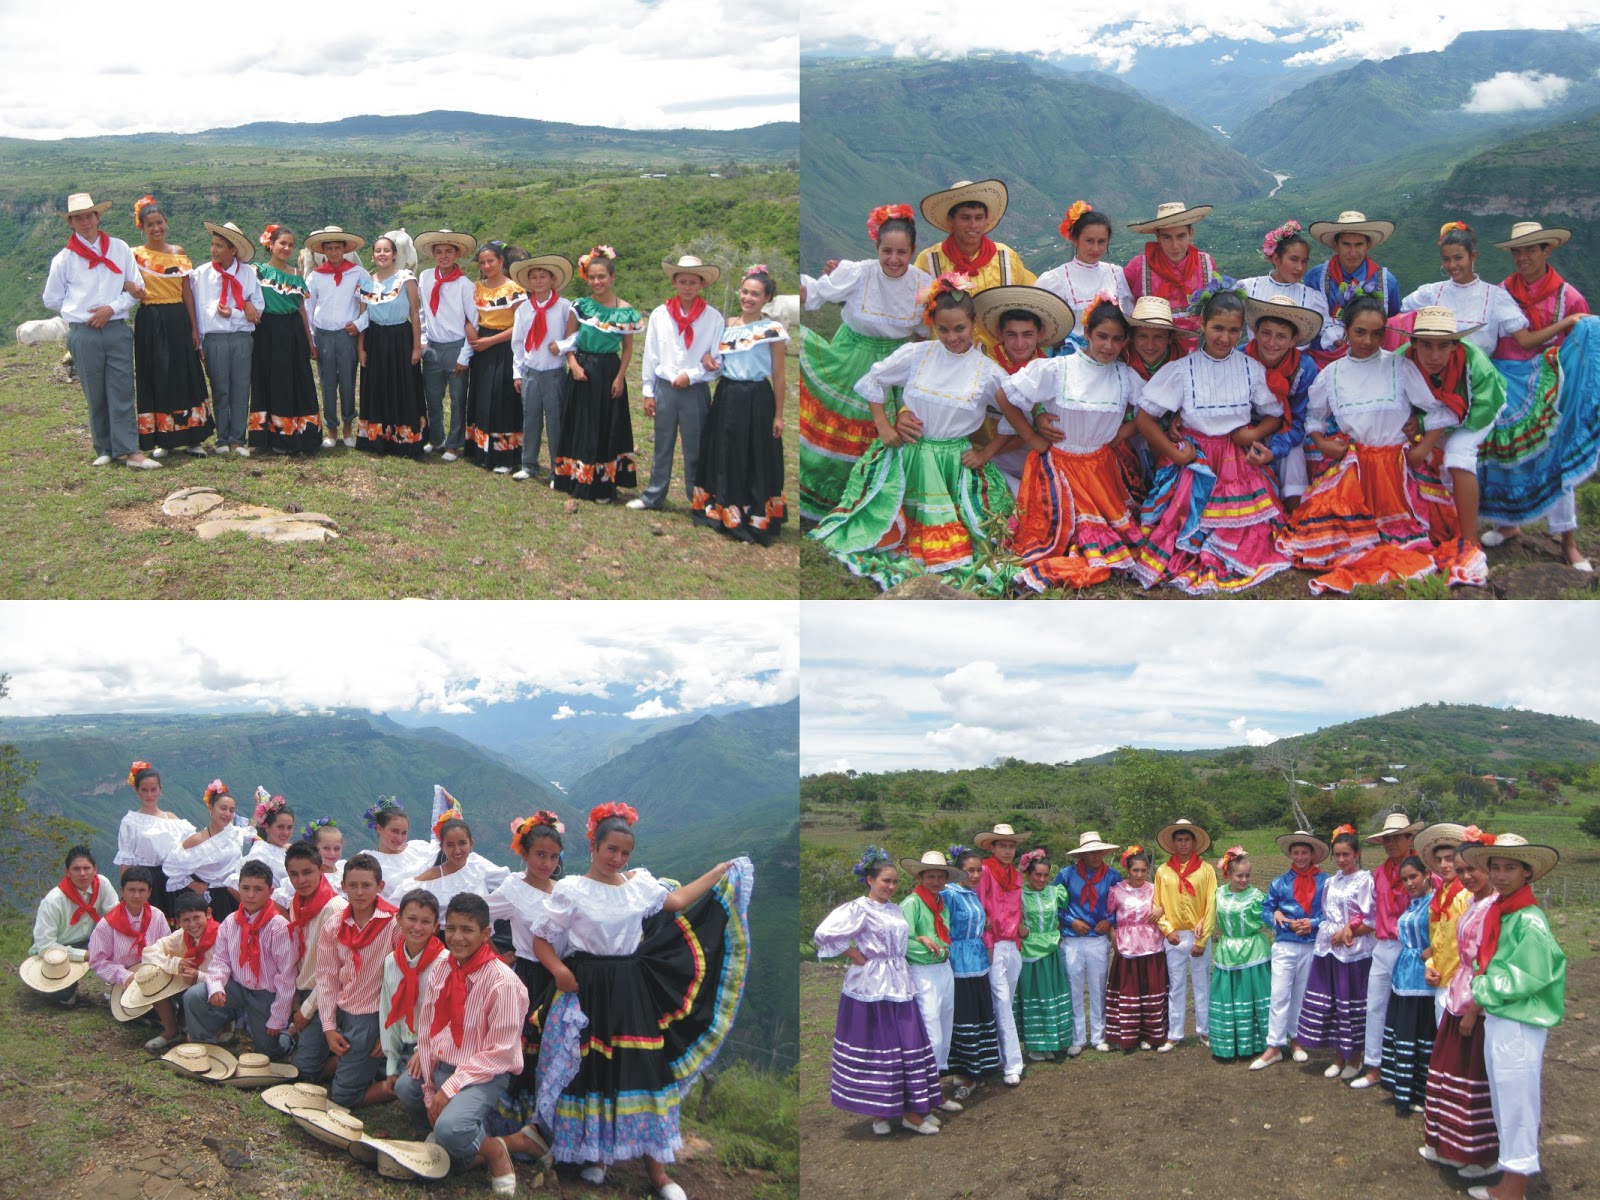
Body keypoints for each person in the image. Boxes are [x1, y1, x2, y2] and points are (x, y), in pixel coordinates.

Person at [531, 803, 749, 1198]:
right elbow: (542, 939)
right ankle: (597, 1157)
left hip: (630, 991)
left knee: (642, 1070)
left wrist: (717, 873)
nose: (617, 859)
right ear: (593, 846)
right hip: (587, 989)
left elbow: (678, 901)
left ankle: (658, 1172)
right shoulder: (571, 890)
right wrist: (559, 971)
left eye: (625, 853)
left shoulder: (639, 887)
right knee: (592, 1071)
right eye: (611, 849)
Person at [808, 275, 1014, 592]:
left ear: (973, 323)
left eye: (959, 328)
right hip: (908, 454)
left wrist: (987, 453)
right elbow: (873, 381)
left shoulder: (989, 373)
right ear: (933, 324)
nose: (951, 337)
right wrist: (885, 424)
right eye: (942, 329)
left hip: (952, 464)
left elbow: (1013, 419)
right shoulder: (918, 355)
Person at [1277, 299, 1477, 594]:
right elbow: (1314, 417)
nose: (1368, 341)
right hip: (1355, 472)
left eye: (1376, 333)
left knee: (1417, 537)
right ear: (1345, 331)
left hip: (1397, 471)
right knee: (1334, 540)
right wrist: (1322, 443)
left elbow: (1435, 411)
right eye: (1359, 332)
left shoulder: (1400, 367)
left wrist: (1423, 443)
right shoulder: (1332, 375)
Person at [1130, 286, 1290, 594]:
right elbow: (1144, 419)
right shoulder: (1182, 370)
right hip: (1196, 460)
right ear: (1202, 324)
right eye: (1217, 328)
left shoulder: (1250, 369)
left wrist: (1254, 433)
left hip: (1237, 462)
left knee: (1249, 529)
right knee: (1185, 524)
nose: (1224, 338)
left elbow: (1273, 414)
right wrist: (1174, 455)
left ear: (1242, 331)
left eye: (1233, 330)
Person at [995, 295, 1143, 590]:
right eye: (1102, 336)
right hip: (1057, 469)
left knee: (1107, 541)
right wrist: (1032, 437)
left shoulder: (1125, 376)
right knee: (1063, 539)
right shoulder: (1058, 369)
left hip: (1101, 472)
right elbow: (1005, 395)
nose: (1108, 346)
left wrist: (1121, 434)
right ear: (1087, 333)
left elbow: (1150, 410)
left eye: (1116, 339)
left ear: (1125, 341)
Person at [799, 203, 934, 519]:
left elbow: (925, 333)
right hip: (849, 357)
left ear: (913, 250)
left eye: (902, 252)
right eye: (887, 251)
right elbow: (818, 293)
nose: (894, 259)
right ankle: (821, 499)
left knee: (878, 437)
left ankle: (861, 500)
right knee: (836, 431)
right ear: (877, 247)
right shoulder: (859, 272)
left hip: (893, 366)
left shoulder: (923, 285)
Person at [1479, 221, 1600, 570]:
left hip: (1549, 384)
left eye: (1530, 249)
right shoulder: (1502, 291)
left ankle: (1569, 541)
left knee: (1555, 452)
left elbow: (1579, 342)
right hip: (1507, 381)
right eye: (1517, 250)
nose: (1522, 257)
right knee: (1501, 449)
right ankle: (1508, 523)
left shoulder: (1569, 296)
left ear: (1547, 250)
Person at [398, 893, 529, 1196]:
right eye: (451, 928)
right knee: (407, 1088)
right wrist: (430, 1081)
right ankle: (448, 1144)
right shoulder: (444, 966)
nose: (456, 937)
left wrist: (450, 1087)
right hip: (445, 1062)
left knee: (451, 1129)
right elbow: (430, 1025)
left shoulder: (503, 983)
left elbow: (501, 1053)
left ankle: (494, 1150)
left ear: (486, 934)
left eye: (467, 930)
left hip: (483, 1074)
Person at [1462, 833, 1566, 1200]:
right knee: (1506, 1097)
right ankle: (1510, 1179)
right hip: (1504, 1018)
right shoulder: (1506, 912)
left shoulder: (1529, 921)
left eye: (1510, 868)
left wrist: (1481, 988)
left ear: (1527, 874)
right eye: (1496, 867)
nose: (1501, 875)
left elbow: (1528, 975)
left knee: (1517, 1101)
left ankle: (1514, 1187)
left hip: (1520, 1021)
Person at [813, 846, 941, 1138]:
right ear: (870, 880)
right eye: (886, 881)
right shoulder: (859, 908)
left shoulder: (895, 909)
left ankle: (911, 1111)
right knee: (879, 1047)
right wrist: (853, 954)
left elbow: (901, 938)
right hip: (872, 985)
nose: (892, 887)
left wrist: (919, 936)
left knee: (906, 1044)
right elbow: (824, 932)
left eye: (895, 882)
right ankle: (880, 1111)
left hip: (900, 982)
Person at [42, 192, 156, 470]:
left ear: (98, 217)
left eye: (89, 215)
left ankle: (129, 450)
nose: (85, 222)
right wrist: (80, 313)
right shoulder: (64, 259)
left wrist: (111, 308)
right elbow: (52, 299)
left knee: (122, 388)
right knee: (94, 390)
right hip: (84, 332)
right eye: (78, 218)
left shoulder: (119, 249)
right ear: (70, 222)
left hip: (116, 326)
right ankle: (104, 447)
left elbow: (135, 287)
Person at [1421, 831, 1501, 1181]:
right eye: (1461, 868)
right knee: (1451, 1071)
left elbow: (1490, 961)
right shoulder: (1471, 903)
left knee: (1472, 1079)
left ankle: (1483, 1154)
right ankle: (1452, 1145)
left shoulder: (1493, 907)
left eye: (1474, 869)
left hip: (1475, 1000)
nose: (1467, 876)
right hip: (1458, 991)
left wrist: (1474, 1009)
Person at [1399, 298, 1509, 546]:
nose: (1435, 356)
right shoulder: (1401, 361)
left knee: (1459, 456)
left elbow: (1480, 411)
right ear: (1413, 343)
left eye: (1443, 346)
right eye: (1426, 345)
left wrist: (1426, 427)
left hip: (1478, 411)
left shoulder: (1476, 364)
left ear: (1455, 345)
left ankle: (1470, 540)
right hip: (1431, 417)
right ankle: (1436, 525)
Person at [693, 265, 789, 544]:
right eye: (745, 292)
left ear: (767, 298)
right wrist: (708, 361)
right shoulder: (727, 324)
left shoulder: (772, 330)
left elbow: (780, 375)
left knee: (752, 454)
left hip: (756, 398)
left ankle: (750, 516)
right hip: (727, 395)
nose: (748, 298)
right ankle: (722, 509)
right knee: (725, 451)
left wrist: (779, 415)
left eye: (755, 294)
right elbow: (715, 360)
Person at [486, 812, 566, 1138]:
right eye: (540, 855)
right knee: (522, 1048)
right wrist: (495, 958)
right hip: (527, 978)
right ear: (524, 853)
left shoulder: (564, 891)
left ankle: (544, 1124)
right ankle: (514, 1124)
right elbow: (479, 917)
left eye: (553, 856)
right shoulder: (513, 890)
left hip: (561, 979)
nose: (547, 863)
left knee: (554, 1049)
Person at [630, 256, 725, 511]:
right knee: (662, 443)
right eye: (682, 281)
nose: (687, 287)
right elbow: (651, 354)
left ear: (701, 284)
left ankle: (698, 499)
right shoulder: (661, 315)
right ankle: (654, 495)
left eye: (693, 282)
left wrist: (692, 375)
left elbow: (717, 361)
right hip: (665, 387)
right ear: (674, 282)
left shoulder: (713, 318)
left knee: (695, 446)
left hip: (694, 390)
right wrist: (648, 391)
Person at [311, 854, 401, 1107]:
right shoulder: (334, 924)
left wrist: (389, 1031)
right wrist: (328, 1026)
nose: (359, 892)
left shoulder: (394, 925)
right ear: (343, 886)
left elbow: (403, 981)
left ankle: (394, 1086)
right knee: (305, 1069)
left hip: (370, 1011)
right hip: (340, 1005)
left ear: (379, 887)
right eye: (353, 886)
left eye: (366, 885)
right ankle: (357, 1062)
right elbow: (327, 977)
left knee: (342, 1098)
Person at [553, 245, 643, 501]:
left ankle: (602, 484)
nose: (596, 281)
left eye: (601, 276)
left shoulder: (625, 311)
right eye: (592, 277)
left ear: (612, 277)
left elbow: (627, 349)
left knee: (605, 425)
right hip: (582, 367)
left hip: (608, 370)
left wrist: (619, 378)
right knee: (580, 423)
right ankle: (573, 477)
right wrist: (574, 363)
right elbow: (568, 339)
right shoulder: (580, 306)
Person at [183, 858, 295, 1058]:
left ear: (270, 892)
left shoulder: (278, 926)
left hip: (265, 993)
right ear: (239, 888)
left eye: (258, 889)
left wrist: (277, 1017)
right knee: (194, 997)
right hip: (237, 985)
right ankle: (204, 1045)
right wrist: (216, 986)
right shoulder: (230, 922)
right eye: (245, 888)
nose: (251, 895)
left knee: (269, 1051)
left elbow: (286, 976)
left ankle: (289, 1035)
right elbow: (221, 961)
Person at [129, 195, 211, 457]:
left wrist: (194, 328)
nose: (156, 229)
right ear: (141, 226)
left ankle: (193, 436)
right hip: (150, 318)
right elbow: (124, 283)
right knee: (157, 373)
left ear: (167, 223)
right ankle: (162, 438)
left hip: (177, 317)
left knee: (185, 372)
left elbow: (187, 291)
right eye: (150, 224)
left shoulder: (179, 252)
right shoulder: (134, 256)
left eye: (160, 223)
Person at [913, 179, 1033, 350]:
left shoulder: (1007, 257)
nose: (973, 225)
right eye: (965, 218)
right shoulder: (929, 260)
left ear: (986, 220)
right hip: (946, 357)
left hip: (998, 361)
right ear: (950, 221)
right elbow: (918, 317)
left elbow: (1025, 304)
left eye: (979, 218)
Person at [1297, 825, 1375, 1080]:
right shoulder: (1332, 881)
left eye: (1346, 855)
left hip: (1354, 951)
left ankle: (1354, 1055)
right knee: (1333, 1001)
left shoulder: (1365, 880)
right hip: (1329, 949)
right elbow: (1325, 913)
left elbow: (1371, 918)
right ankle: (1338, 1054)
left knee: (1351, 1001)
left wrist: (1347, 932)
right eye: (1338, 855)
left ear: (1357, 854)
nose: (1342, 860)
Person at [1353, 811, 1424, 1090]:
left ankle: (1407, 1068)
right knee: (1376, 1006)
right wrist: (1353, 925)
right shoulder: (1379, 873)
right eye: (1387, 839)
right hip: (1382, 946)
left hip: (1411, 948)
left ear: (1410, 838)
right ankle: (1375, 1065)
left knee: (1408, 1010)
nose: (1391, 844)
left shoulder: (1421, 872)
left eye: (1397, 838)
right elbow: (1368, 912)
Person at [1251, 829, 1329, 1070]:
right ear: (1290, 854)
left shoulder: (1326, 881)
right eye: (1296, 852)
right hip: (1285, 943)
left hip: (1311, 944)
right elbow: (1265, 909)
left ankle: (1297, 1040)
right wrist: (1276, 917)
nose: (1300, 856)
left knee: (1301, 995)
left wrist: (1312, 923)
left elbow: (1331, 913)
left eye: (1304, 852)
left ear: (1312, 854)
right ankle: (1274, 1045)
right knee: (1279, 993)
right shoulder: (1279, 882)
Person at [898, 851, 967, 1114]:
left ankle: (934, 1091)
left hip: (942, 968)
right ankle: (921, 1093)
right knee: (931, 1034)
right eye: (931, 876)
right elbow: (902, 941)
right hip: (923, 970)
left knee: (945, 1030)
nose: (937, 880)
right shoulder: (912, 903)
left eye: (940, 876)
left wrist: (940, 949)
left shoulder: (940, 903)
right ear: (921, 877)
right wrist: (928, 945)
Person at [188, 220, 263, 457]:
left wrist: (236, 313)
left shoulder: (248, 274)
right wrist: (199, 341)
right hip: (215, 338)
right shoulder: (201, 274)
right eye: (213, 244)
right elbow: (198, 311)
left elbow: (257, 311)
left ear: (233, 250)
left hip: (241, 337)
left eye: (219, 246)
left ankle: (237, 439)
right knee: (220, 388)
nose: (213, 250)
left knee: (241, 388)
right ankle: (222, 437)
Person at [1241, 294, 1322, 512]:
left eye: (1281, 336)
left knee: (1293, 455)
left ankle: (1295, 516)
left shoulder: (1304, 369)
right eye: (1266, 333)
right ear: (1255, 332)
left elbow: (1298, 420)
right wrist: (1249, 436)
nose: (1271, 342)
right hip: (1241, 431)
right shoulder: (1239, 359)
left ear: (1294, 340)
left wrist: (1275, 449)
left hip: (1285, 432)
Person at [248, 225, 323, 455]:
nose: (287, 248)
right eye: (282, 243)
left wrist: (309, 340)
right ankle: (271, 437)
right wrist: (246, 305)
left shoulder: (296, 274)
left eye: (291, 244)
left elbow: (302, 309)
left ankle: (300, 434)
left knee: (297, 379)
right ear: (270, 244)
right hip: (267, 330)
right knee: (270, 379)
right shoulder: (257, 271)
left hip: (293, 331)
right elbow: (243, 294)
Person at [356, 233, 426, 458]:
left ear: (395, 254)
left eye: (387, 250)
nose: (382, 254)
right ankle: (377, 438)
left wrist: (416, 347)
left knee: (403, 385)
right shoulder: (366, 282)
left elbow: (415, 314)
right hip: (375, 338)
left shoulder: (406, 278)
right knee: (377, 386)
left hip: (401, 337)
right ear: (373, 255)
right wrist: (361, 347)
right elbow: (363, 317)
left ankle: (403, 439)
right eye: (378, 250)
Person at [507, 254, 576, 481]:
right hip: (531, 371)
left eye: (543, 277)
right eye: (533, 277)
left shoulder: (565, 307)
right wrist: (518, 373)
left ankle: (558, 468)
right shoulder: (524, 309)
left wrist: (563, 345)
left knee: (556, 420)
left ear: (552, 280)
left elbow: (577, 334)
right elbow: (518, 343)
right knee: (531, 417)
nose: (538, 281)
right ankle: (529, 464)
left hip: (554, 372)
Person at [459, 241, 526, 473]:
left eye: (491, 261)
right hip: (481, 344)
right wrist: (470, 329)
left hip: (505, 346)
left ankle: (505, 456)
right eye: (483, 262)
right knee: (481, 396)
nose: (487, 266)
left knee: (502, 399)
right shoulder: (476, 288)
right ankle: (480, 449)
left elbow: (520, 326)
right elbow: (468, 314)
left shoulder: (515, 290)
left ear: (501, 261)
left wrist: (490, 341)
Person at [1377, 854, 1437, 1111]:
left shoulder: (1436, 904)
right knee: (1405, 1031)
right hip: (1404, 975)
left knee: (1421, 1032)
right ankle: (1404, 1088)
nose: (1409, 883)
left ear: (1426, 875)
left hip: (1423, 979)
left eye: (1413, 876)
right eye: (1405, 879)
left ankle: (1421, 1091)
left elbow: (1446, 934)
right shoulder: (1413, 904)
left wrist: (1433, 950)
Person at [1304, 210, 1402, 365]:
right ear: (1336, 245)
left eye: (1359, 245)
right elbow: (1309, 321)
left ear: (1368, 245)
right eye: (1346, 244)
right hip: (1324, 360)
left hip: (1371, 359)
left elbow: (1394, 324)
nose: (1352, 252)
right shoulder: (1316, 278)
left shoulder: (1387, 282)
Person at [1151, 819, 1216, 1051]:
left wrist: (1201, 940)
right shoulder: (1163, 871)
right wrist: (1167, 931)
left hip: (1198, 935)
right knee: (1176, 985)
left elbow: (1211, 905)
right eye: (1179, 840)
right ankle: (1175, 1033)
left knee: (1202, 985)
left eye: (1187, 839)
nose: (1183, 844)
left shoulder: (1206, 870)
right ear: (1173, 843)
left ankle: (1205, 1031)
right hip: (1174, 937)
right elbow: (1157, 904)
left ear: (1194, 842)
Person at [1053, 832, 1120, 1056]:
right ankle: (1077, 1037)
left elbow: (1122, 905)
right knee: (1073, 986)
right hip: (1073, 939)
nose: (1096, 855)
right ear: (1082, 854)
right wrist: (1071, 920)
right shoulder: (1066, 875)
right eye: (1091, 852)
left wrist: (1109, 921)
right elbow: (1052, 903)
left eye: (1099, 851)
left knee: (1098, 986)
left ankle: (1099, 1035)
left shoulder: (1112, 876)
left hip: (1098, 939)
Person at [413, 229, 479, 457]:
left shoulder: (465, 285)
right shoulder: (425, 277)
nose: (443, 256)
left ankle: (454, 442)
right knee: (432, 397)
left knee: (458, 398)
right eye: (439, 252)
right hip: (433, 346)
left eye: (448, 252)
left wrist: (464, 356)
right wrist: (422, 340)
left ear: (457, 254)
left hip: (456, 346)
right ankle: (436, 438)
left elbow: (474, 322)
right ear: (432, 254)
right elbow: (422, 311)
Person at [377, 888, 446, 1103]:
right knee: (387, 1079)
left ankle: (429, 1123)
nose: (417, 927)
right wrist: (391, 1064)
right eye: (411, 919)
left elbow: (445, 1018)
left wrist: (424, 1050)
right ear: (398, 919)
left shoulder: (445, 963)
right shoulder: (392, 961)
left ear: (436, 926)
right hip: (405, 1043)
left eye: (426, 922)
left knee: (406, 1088)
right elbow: (388, 1012)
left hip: (433, 1047)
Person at [305, 226, 371, 448]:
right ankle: (331, 430)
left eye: (337, 248)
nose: (333, 252)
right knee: (327, 382)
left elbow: (371, 302)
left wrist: (359, 323)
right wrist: (312, 339)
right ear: (322, 251)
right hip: (323, 335)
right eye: (329, 248)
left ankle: (348, 428)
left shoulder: (359, 274)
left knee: (348, 381)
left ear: (345, 249)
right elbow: (308, 306)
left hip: (347, 334)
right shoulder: (315, 276)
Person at [943, 847, 1001, 1096]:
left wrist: (983, 922)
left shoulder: (971, 893)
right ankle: (965, 1070)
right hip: (959, 961)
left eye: (979, 870)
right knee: (963, 1014)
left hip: (977, 960)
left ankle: (978, 1068)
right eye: (970, 870)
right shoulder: (949, 894)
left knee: (978, 1012)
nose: (976, 875)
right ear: (958, 872)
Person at [31, 844, 118, 1005]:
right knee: (64, 1000)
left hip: (88, 940)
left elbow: (117, 917)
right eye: (76, 869)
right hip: (57, 947)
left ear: (95, 869)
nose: (83, 874)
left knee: (121, 945)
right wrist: (85, 955)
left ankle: (120, 991)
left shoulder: (103, 885)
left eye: (87, 868)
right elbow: (44, 945)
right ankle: (51, 986)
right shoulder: (53, 901)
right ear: (67, 872)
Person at [973, 822, 1026, 1085]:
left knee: (1005, 1002)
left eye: (1011, 846)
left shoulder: (1015, 875)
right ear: (992, 847)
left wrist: (1017, 939)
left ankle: (998, 1056)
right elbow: (981, 910)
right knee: (1003, 1002)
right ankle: (1013, 1063)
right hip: (993, 945)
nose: (1007, 851)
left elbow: (1016, 910)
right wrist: (989, 943)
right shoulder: (984, 872)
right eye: (1002, 846)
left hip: (1012, 945)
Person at [1035, 201, 1134, 340]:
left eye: (1101, 241)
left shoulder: (1116, 274)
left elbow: (1128, 316)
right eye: (1089, 241)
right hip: (1071, 355)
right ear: (1075, 240)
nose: (1095, 248)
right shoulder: (1056, 280)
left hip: (1112, 353)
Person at [282, 840, 339, 1077]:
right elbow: (299, 956)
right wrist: (296, 1001)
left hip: (327, 996)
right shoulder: (297, 902)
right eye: (294, 874)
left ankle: (355, 1059)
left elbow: (334, 972)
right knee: (274, 1049)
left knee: (303, 1072)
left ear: (321, 870)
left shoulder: (335, 908)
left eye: (307, 872)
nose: (301, 880)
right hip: (305, 990)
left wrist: (306, 1010)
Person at [1208, 848, 1270, 1063]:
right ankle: (1229, 1043)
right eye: (1239, 875)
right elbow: (1208, 914)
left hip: (1253, 949)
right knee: (1231, 996)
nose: (1244, 880)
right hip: (1227, 949)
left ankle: (1259, 1043)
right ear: (1227, 875)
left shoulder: (1256, 896)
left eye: (1247, 875)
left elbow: (1269, 916)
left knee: (1253, 995)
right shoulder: (1218, 893)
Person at [400, 793, 512, 910]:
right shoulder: (431, 877)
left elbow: (511, 885)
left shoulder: (479, 866)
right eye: (450, 845)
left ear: (471, 844)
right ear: (442, 847)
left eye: (462, 843)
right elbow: (401, 896)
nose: (457, 850)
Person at [1122, 201, 1219, 335]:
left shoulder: (1206, 264)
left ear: (1191, 233)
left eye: (1181, 236)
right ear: (1157, 236)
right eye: (1167, 237)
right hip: (1152, 347)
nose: (1175, 245)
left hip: (1198, 344)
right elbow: (1121, 302)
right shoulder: (1138, 266)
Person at [1105, 845, 1168, 1051]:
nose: (1139, 874)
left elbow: (1170, 905)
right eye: (1135, 870)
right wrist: (1112, 933)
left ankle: (1151, 1036)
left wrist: (1162, 908)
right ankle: (1128, 1036)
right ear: (1128, 870)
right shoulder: (1117, 891)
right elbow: (1108, 915)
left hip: (1152, 946)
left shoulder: (1155, 890)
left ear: (1148, 870)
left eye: (1143, 870)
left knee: (1151, 990)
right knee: (1130, 991)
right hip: (1127, 948)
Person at [115, 761, 195, 922]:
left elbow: (189, 850)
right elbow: (126, 861)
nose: (149, 795)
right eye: (144, 790)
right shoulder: (131, 822)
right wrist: (125, 892)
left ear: (160, 790)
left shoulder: (172, 819)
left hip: (173, 880)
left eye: (153, 789)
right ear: (137, 791)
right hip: (147, 880)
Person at [139, 889, 219, 1051]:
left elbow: (229, 976)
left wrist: (199, 976)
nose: (192, 925)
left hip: (215, 993)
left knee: (196, 993)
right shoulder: (182, 935)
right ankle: (171, 1031)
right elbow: (148, 953)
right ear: (179, 921)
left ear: (208, 913)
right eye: (186, 920)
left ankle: (221, 1027)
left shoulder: (222, 935)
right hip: (188, 987)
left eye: (196, 917)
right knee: (153, 976)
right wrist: (176, 964)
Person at [1014, 849, 1074, 1062]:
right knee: (1036, 996)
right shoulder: (1019, 895)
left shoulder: (1055, 892)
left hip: (1051, 951)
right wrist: (1020, 927)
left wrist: (1055, 933)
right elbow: (1010, 916)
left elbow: (1063, 914)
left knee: (1053, 994)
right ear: (1028, 874)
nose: (1041, 879)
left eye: (1045, 875)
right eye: (1037, 875)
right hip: (1031, 952)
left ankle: (1053, 1041)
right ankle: (1036, 1045)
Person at [1238, 220, 1332, 351]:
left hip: (1296, 366)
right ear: (1276, 259)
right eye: (1294, 260)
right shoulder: (1248, 288)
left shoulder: (1312, 297)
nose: (1300, 268)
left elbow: (1328, 329)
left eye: (1304, 261)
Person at [89, 865, 171, 1011]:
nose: (137, 896)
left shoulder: (157, 916)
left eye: (142, 890)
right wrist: (124, 975)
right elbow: (97, 961)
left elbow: (167, 948)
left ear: (149, 892)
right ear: (122, 891)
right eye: (131, 890)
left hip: (154, 976)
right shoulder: (107, 924)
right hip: (124, 980)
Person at [164, 780, 246, 921]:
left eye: (231, 810)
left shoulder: (234, 833)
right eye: (223, 808)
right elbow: (171, 866)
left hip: (234, 895)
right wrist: (193, 884)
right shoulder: (197, 840)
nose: (227, 813)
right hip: (212, 900)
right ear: (210, 808)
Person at [1416, 823, 1470, 1026]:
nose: (1444, 865)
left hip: (1463, 983)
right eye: (1439, 860)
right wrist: (1430, 965)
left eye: (1449, 859)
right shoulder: (1439, 896)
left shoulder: (1469, 895)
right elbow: (1436, 939)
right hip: (1442, 980)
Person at [366, 795, 443, 903]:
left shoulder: (418, 848)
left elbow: (448, 851)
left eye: (404, 833)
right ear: (379, 828)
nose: (399, 838)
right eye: (394, 831)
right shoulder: (370, 862)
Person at [238, 788, 294, 892]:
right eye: (280, 827)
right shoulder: (260, 852)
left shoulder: (291, 851)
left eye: (289, 827)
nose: (286, 833)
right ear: (268, 827)